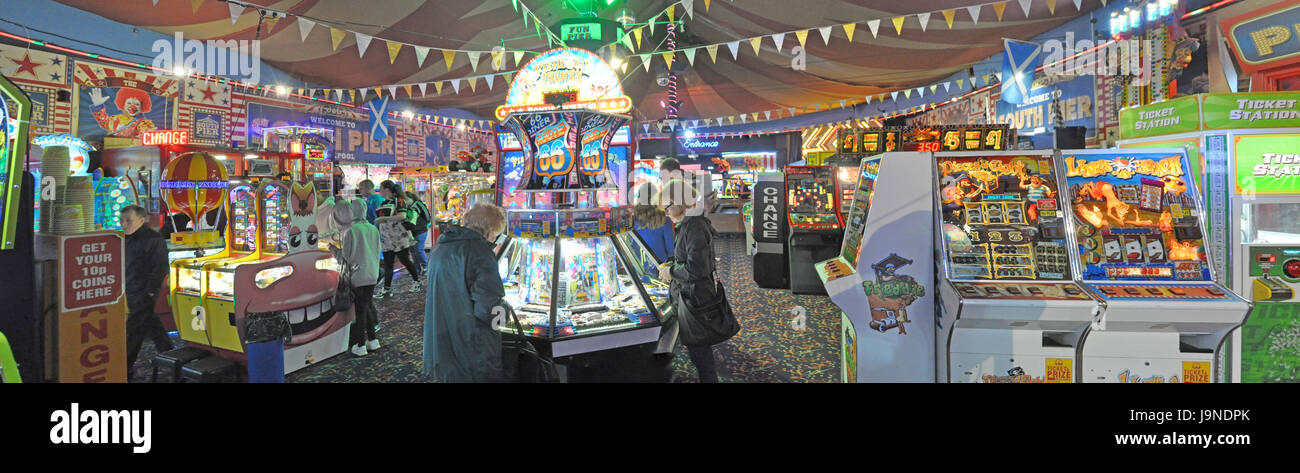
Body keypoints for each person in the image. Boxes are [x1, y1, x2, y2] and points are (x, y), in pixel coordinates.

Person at [423, 203, 509, 382]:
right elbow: (488, 310)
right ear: (490, 230)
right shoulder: (480, 252)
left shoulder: (441, 246)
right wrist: (506, 313)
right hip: (473, 345)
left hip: (443, 338)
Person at [659, 186, 727, 383]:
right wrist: (672, 263)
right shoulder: (687, 224)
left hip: (696, 300)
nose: (666, 213)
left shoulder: (694, 226)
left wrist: (670, 272)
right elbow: (689, 259)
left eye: (668, 207)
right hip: (691, 297)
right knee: (699, 355)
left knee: (701, 357)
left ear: (680, 203)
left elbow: (696, 269)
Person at [120, 205, 173, 379]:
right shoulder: (124, 238)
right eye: (122, 220)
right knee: (153, 326)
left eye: (128, 220)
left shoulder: (153, 239)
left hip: (143, 292)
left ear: (141, 220)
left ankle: (123, 368)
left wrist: (151, 291)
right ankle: (170, 355)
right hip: (131, 289)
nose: (124, 224)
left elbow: (160, 267)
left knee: (133, 332)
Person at [334, 198, 383, 356]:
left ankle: (361, 344)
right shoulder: (373, 228)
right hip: (372, 272)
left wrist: (332, 250)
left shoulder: (351, 230)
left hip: (357, 274)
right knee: (366, 305)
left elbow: (346, 256)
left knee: (360, 310)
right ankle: (373, 340)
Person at [375, 180, 421, 297]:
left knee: (404, 260)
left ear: (386, 189)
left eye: (380, 188)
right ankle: (387, 288)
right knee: (388, 263)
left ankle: (417, 281)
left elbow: (402, 216)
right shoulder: (384, 202)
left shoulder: (399, 201)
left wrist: (384, 219)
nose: (379, 190)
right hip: (387, 238)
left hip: (399, 237)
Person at [631, 182, 673, 262]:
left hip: (637, 264)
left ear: (639, 197)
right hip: (660, 264)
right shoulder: (664, 218)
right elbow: (670, 248)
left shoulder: (632, 218)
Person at [404, 190, 434, 277]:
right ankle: (417, 268)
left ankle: (426, 267)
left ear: (411, 198)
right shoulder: (408, 207)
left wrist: (424, 225)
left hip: (420, 231)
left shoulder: (417, 205)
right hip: (412, 231)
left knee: (419, 249)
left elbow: (427, 217)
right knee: (413, 250)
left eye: (406, 199)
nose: (405, 201)